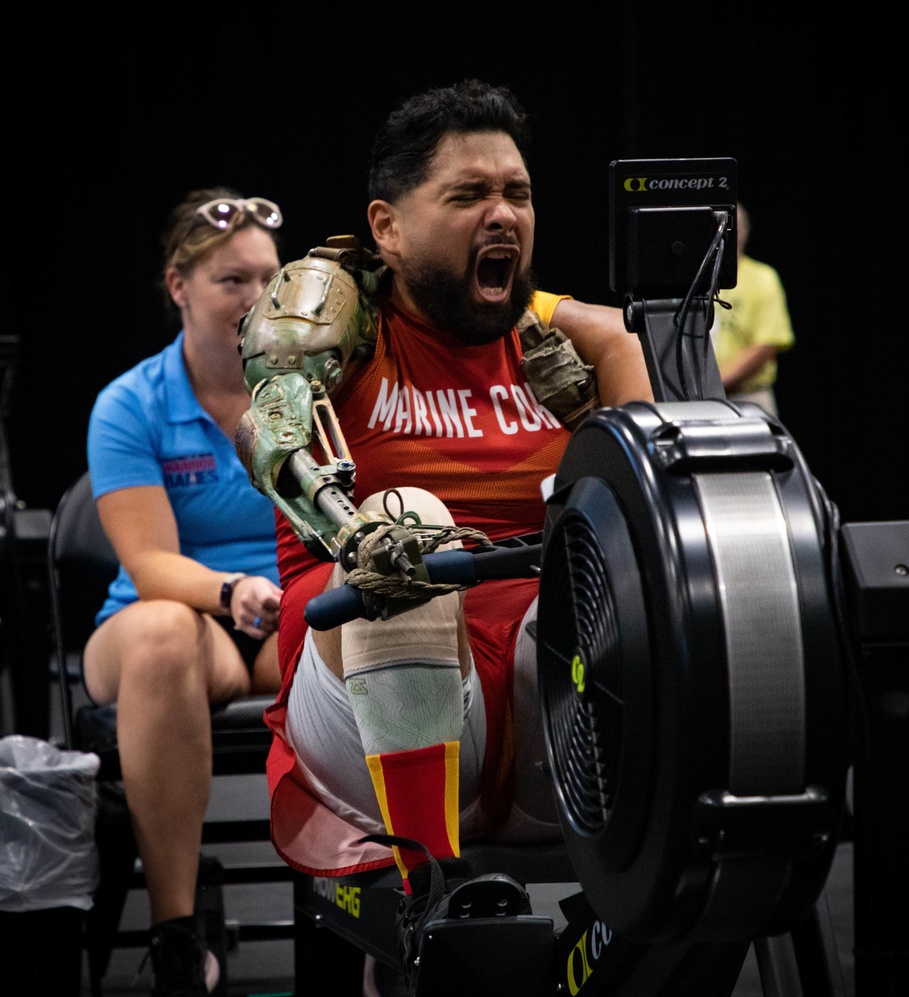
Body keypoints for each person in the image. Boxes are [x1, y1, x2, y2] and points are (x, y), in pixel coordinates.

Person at [245, 79, 653, 994]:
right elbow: (266, 442)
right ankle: (422, 883)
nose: (502, 214)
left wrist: (619, 347)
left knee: (644, 588)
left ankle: (663, 862)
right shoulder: (337, 339)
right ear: (387, 225)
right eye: (469, 196)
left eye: (518, 192)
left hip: (558, 724)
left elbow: (654, 534)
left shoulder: (565, 345)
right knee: (410, 525)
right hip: (369, 710)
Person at [84, 187, 286, 997]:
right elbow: (148, 561)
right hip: (158, 621)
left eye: (270, 280)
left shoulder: (309, 393)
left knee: (369, 627)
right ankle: (176, 939)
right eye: (233, 281)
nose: (258, 300)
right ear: (180, 287)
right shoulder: (128, 404)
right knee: (166, 629)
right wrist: (230, 586)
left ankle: (381, 906)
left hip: (277, 618)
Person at [711, 201, 795, 416]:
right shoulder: (696, 282)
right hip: (698, 399)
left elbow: (766, 345)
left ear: (745, 232)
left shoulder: (762, 278)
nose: (728, 236)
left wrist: (718, 382)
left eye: (734, 228)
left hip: (747, 397)